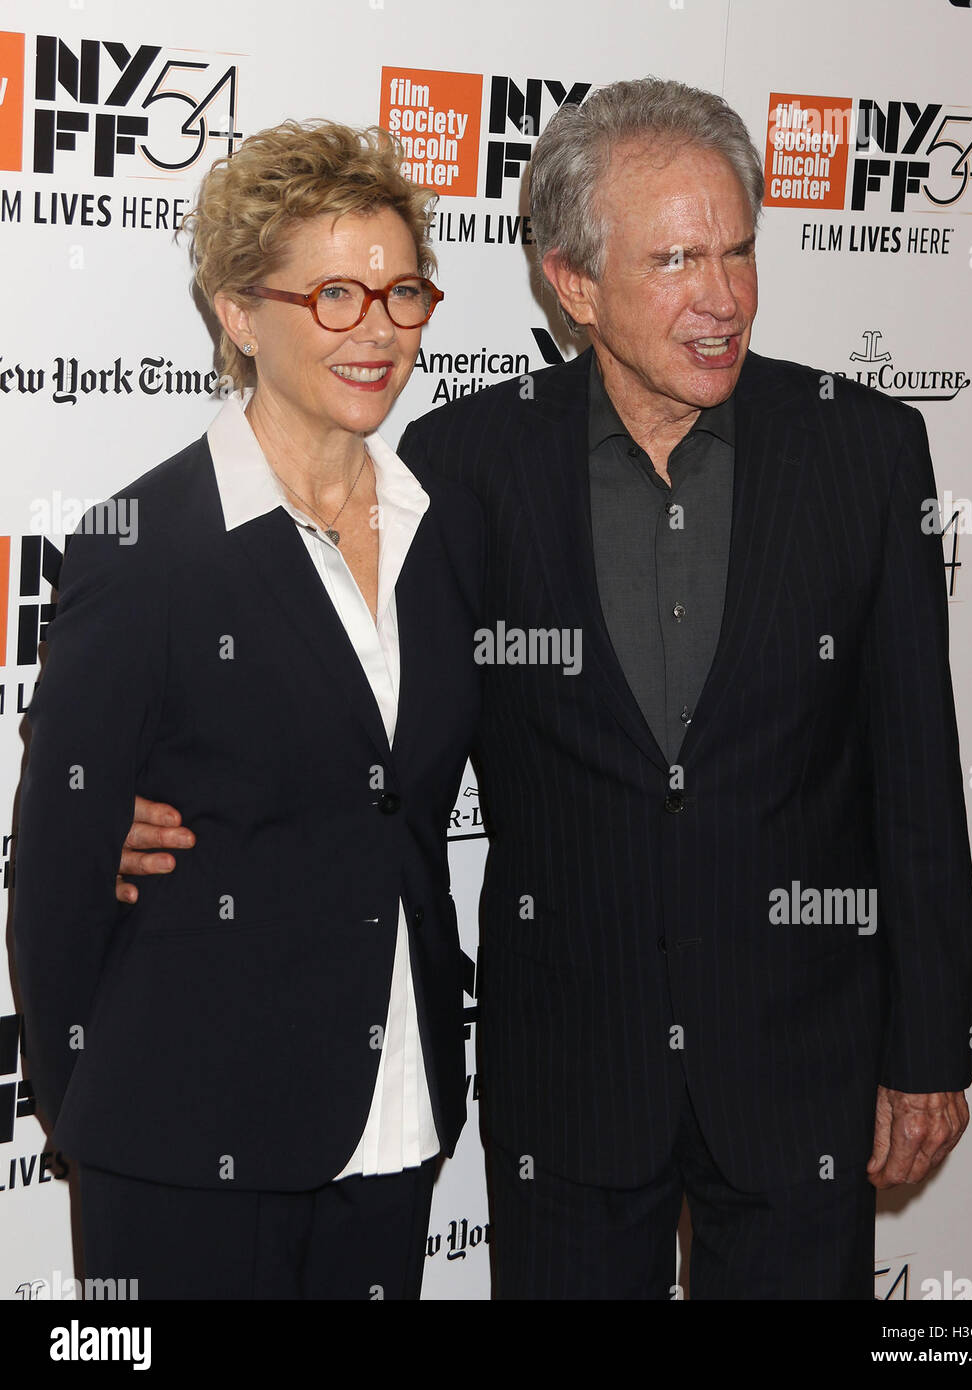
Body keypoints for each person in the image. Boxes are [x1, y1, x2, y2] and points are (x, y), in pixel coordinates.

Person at [119, 79, 972, 1300]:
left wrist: (930, 1047)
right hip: (570, 1085)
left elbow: (917, 775)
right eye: (678, 258)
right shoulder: (465, 466)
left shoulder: (865, 450)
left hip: (804, 1070)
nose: (723, 295)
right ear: (573, 283)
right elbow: (375, 730)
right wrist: (140, 793)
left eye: (737, 249)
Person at [13, 120, 482, 1300]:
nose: (377, 328)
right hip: (180, 1143)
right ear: (236, 311)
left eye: (400, 290)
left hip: (394, 1121)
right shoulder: (147, 548)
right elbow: (61, 872)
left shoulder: (446, 532)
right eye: (332, 293)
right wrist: (94, 1115)